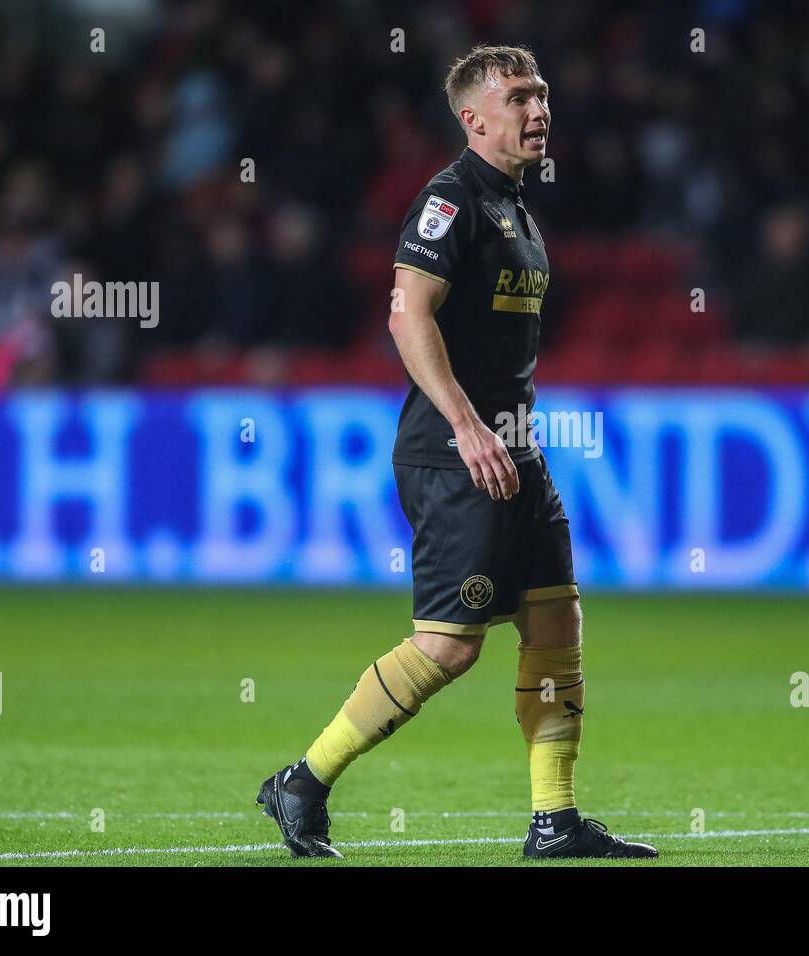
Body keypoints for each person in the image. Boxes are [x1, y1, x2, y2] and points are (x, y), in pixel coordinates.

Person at [257, 44, 657, 861]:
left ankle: (555, 820)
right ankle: (303, 780)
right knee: (450, 645)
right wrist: (469, 425)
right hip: (454, 453)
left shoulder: (518, 209)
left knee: (555, 618)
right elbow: (408, 315)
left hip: (516, 452)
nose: (538, 109)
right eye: (518, 97)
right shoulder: (451, 201)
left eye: (542, 93)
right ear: (473, 119)